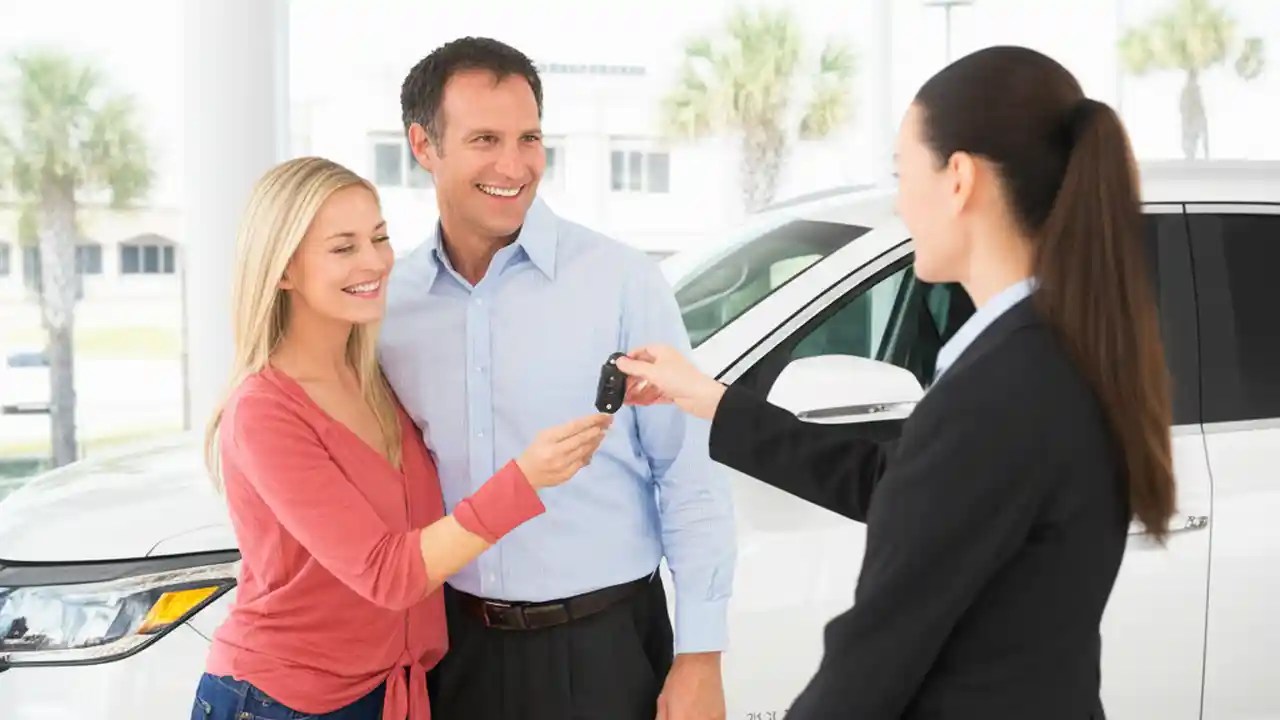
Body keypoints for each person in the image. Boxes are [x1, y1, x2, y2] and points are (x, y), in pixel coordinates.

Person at [616, 46, 1176, 719]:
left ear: (959, 179)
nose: (900, 202)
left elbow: (875, 654)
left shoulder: (1002, 388)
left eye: (900, 172)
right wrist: (709, 399)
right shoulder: (1053, 353)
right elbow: (897, 486)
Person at [378, 37, 736, 720]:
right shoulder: (392, 307)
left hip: (606, 650)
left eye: (530, 138)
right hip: (452, 654)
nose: (514, 165)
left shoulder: (622, 281)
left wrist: (700, 659)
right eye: (485, 138)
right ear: (423, 146)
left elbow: (690, 478)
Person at [192, 156, 611, 720]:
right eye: (343, 248)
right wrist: (527, 478)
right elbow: (388, 575)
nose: (375, 261)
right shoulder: (264, 412)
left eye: (380, 237)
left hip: (393, 692)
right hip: (284, 703)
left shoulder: (377, 380)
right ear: (283, 270)